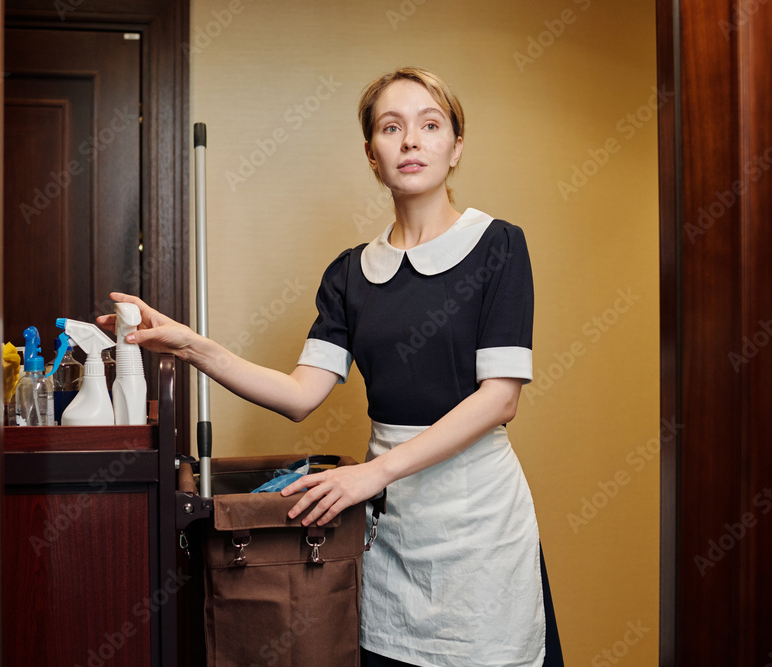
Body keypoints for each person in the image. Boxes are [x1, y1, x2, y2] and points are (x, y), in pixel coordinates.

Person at [99, 67, 560, 667]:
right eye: (391, 127)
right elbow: (298, 395)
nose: (412, 141)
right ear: (372, 154)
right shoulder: (350, 274)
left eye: (430, 124)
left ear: (456, 147)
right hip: (392, 529)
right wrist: (190, 346)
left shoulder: (499, 245)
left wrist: (371, 476)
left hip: (480, 516)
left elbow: (499, 398)